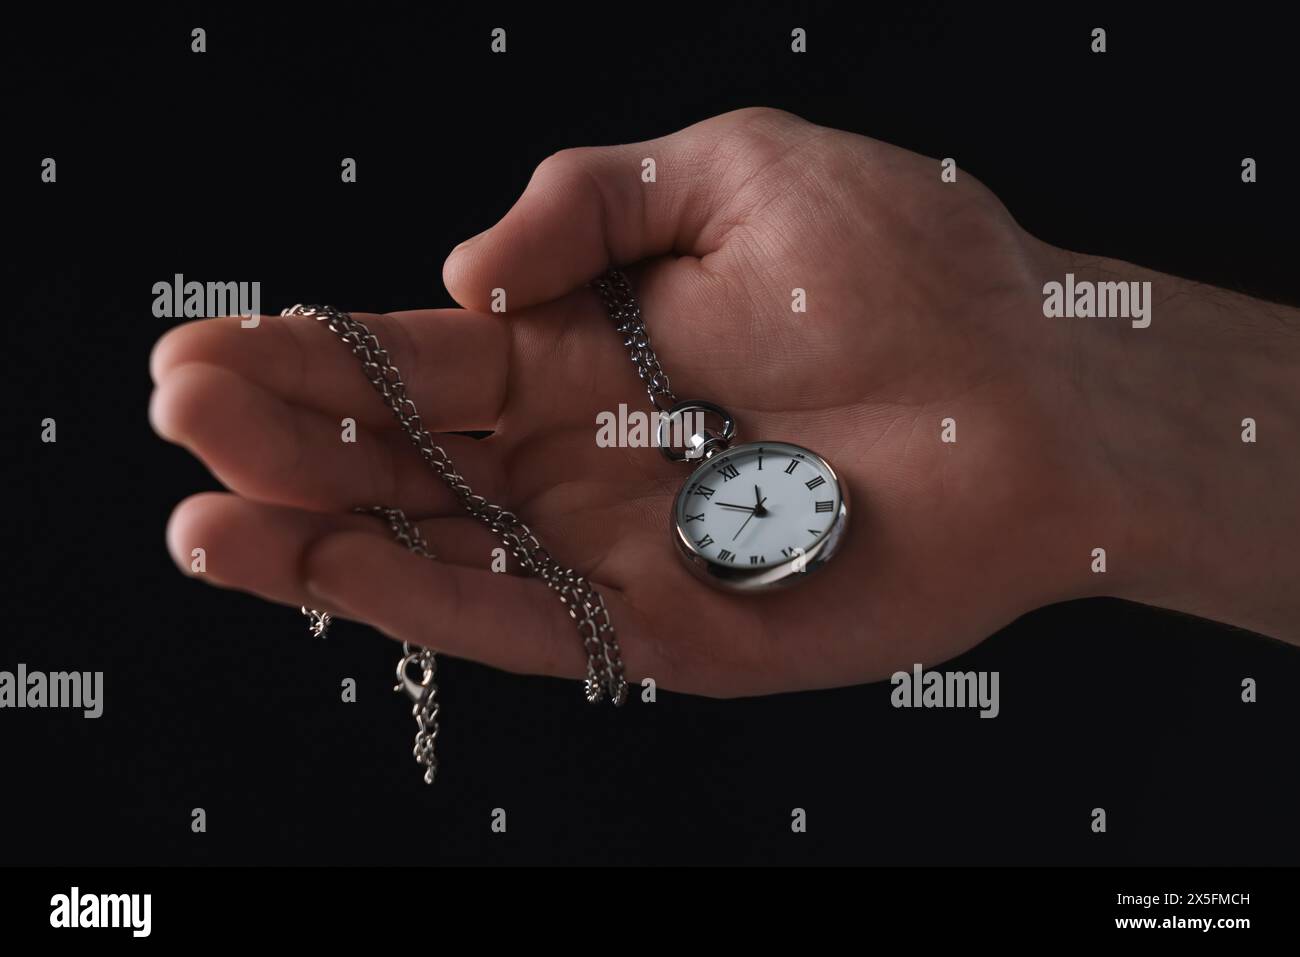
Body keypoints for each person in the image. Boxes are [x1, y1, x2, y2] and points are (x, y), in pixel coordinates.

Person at [148, 108, 1300, 698]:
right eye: (742, 507)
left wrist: (1069, 369)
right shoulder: (727, 492)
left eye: (748, 507)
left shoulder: (770, 476)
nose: (744, 506)